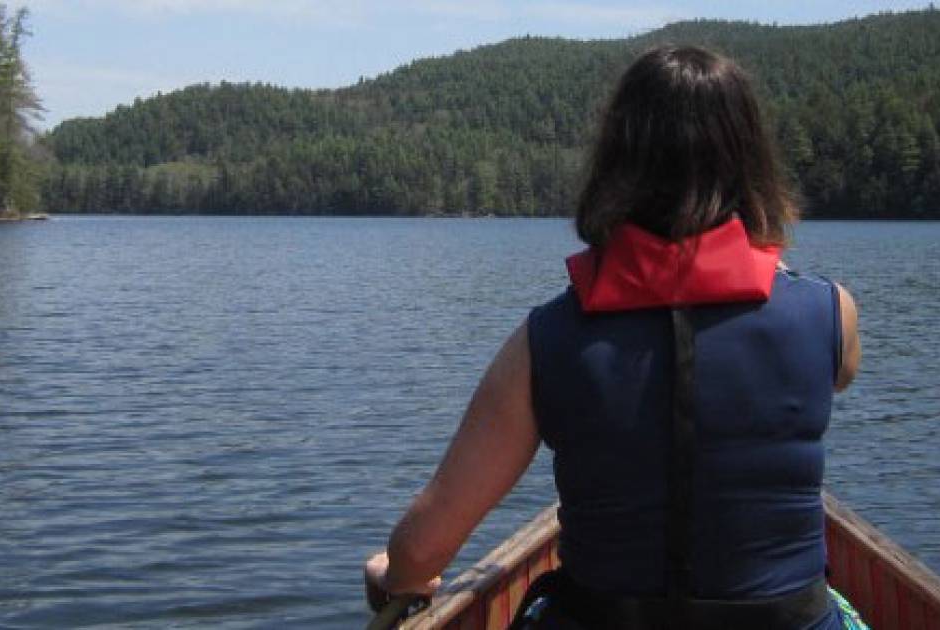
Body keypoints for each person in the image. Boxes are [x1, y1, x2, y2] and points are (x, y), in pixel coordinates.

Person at [364, 45, 865, 629]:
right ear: (751, 161)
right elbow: (836, 374)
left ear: (616, 163)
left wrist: (394, 573)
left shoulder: (545, 340)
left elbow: (425, 549)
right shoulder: (831, 315)